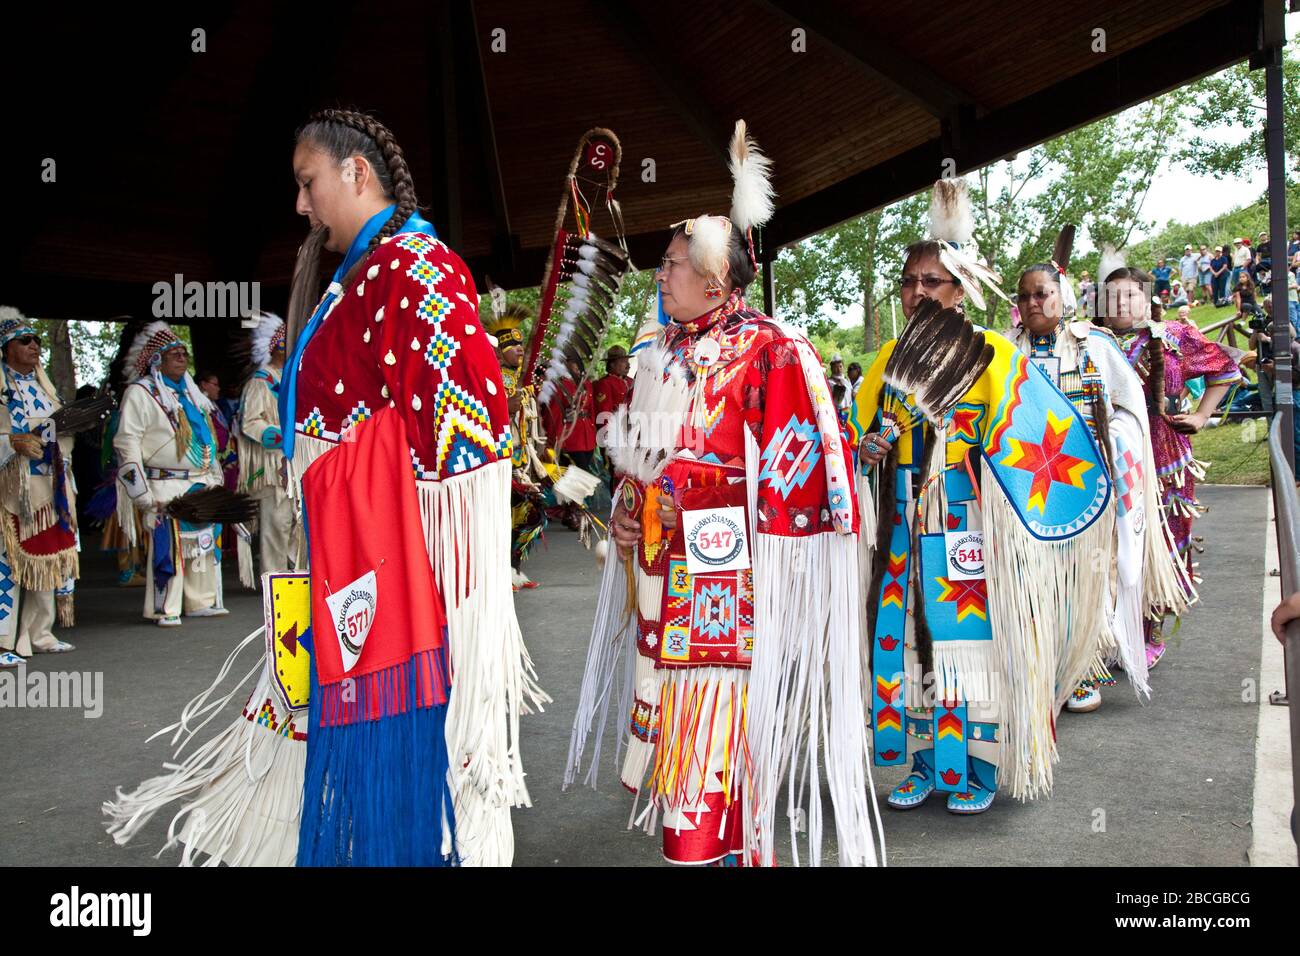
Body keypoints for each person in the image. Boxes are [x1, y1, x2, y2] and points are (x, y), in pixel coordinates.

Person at [108, 109, 546, 868]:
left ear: (356, 173)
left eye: (308, 183)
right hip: (353, 551)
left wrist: (455, 608)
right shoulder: (362, 274)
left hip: (407, 579)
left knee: (438, 755)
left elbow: (465, 447)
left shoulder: (416, 266)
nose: (301, 205)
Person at [566, 120, 880, 866]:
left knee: (705, 782)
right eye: (661, 266)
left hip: (725, 603)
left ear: (717, 276)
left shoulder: (775, 352)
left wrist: (695, 494)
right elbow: (639, 462)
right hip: (662, 592)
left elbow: (810, 485)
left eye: (673, 264)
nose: (660, 276)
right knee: (698, 769)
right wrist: (627, 505)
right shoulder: (657, 356)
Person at [850, 180, 1113, 815]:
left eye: (931, 283)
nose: (916, 293)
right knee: (910, 639)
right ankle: (922, 764)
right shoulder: (885, 361)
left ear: (960, 291)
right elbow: (856, 441)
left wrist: (969, 460)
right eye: (909, 282)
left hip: (969, 527)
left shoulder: (994, 355)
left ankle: (975, 767)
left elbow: (1032, 443)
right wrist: (870, 449)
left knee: (968, 644)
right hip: (904, 527)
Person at [1010, 263, 1191, 713]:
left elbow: (1130, 412)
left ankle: (1085, 668)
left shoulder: (1095, 345)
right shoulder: (1005, 353)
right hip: (1025, 487)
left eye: (1042, 293)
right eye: (1025, 296)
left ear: (1062, 295)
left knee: (1089, 577)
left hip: (1085, 484)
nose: (1033, 303)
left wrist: (1107, 443)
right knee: (1035, 582)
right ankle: (1044, 669)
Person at [1099, 258, 1241, 667]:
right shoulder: (1092, 342)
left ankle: (1151, 632)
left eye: (1130, 295)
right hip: (1112, 461)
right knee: (1117, 545)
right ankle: (1113, 631)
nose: (1121, 303)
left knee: (1163, 542)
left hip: (1165, 461)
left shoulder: (1175, 336)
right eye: (1113, 297)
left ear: (1147, 300)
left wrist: (1200, 415)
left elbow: (1225, 370)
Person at [113, 322, 227, 627]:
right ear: (155, 360)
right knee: (171, 544)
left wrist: (214, 476)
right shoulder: (141, 393)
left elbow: (208, 439)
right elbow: (127, 442)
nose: (181, 357)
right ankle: (167, 607)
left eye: (183, 352)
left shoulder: (192, 394)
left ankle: (200, 601)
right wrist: (140, 492)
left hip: (200, 480)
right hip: (164, 482)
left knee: (202, 541)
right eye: (172, 353)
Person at [0, 310, 79, 668]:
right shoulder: (2, 388)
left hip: (49, 486)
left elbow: (63, 435)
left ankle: (40, 633)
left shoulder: (46, 390)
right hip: (10, 490)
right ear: (5, 348)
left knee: (46, 558)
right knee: (8, 563)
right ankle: (3, 641)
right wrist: (11, 443)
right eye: (25, 341)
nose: (34, 346)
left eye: (37, 341)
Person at [487, 302, 551, 590]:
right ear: (500, 352)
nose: (520, 350)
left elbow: (533, 425)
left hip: (524, 463)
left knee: (531, 515)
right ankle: (500, 573)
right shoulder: (491, 383)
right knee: (503, 518)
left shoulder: (524, 386)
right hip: (501, 461)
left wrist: (542, 450)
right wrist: (502, 407)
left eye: (522, 345)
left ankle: (515, 570)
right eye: (513, 346)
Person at [236, 313, 295, 580]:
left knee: (297, 522)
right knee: (277, 522)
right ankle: (275, 579)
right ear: (277, 345)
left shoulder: (295, 377)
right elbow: (250, 422)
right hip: (273, 465)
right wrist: (281, 435)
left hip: (297, 461)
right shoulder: (262, 381)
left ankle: (297, 574)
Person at [544, 355, 597, 475]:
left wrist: (593, 432)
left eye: (579, 363)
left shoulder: (587, 384)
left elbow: (591, 410)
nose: (578, 367)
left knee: (583, 473)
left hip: (588, 435)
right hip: (571, 437)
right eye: (574, 363)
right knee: (581, 474)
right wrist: (555, 440)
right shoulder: (560, 386)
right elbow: (554, 416)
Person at [592, 344, 633, 491]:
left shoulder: (630, 382)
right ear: (612, 365)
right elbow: (604, 414)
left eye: (627, 361)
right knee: (616, 471)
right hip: (614, 436)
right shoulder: (604, 384)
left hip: (632, 434)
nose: (627, 364)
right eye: (623, 361)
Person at [827, 352, 852, 416]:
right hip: (836, 413)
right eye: (836, 367)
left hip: (849, 412)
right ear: (832, 369)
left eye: (840, 366)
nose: (839, 369)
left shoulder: (847, 380)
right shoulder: (829, 382)